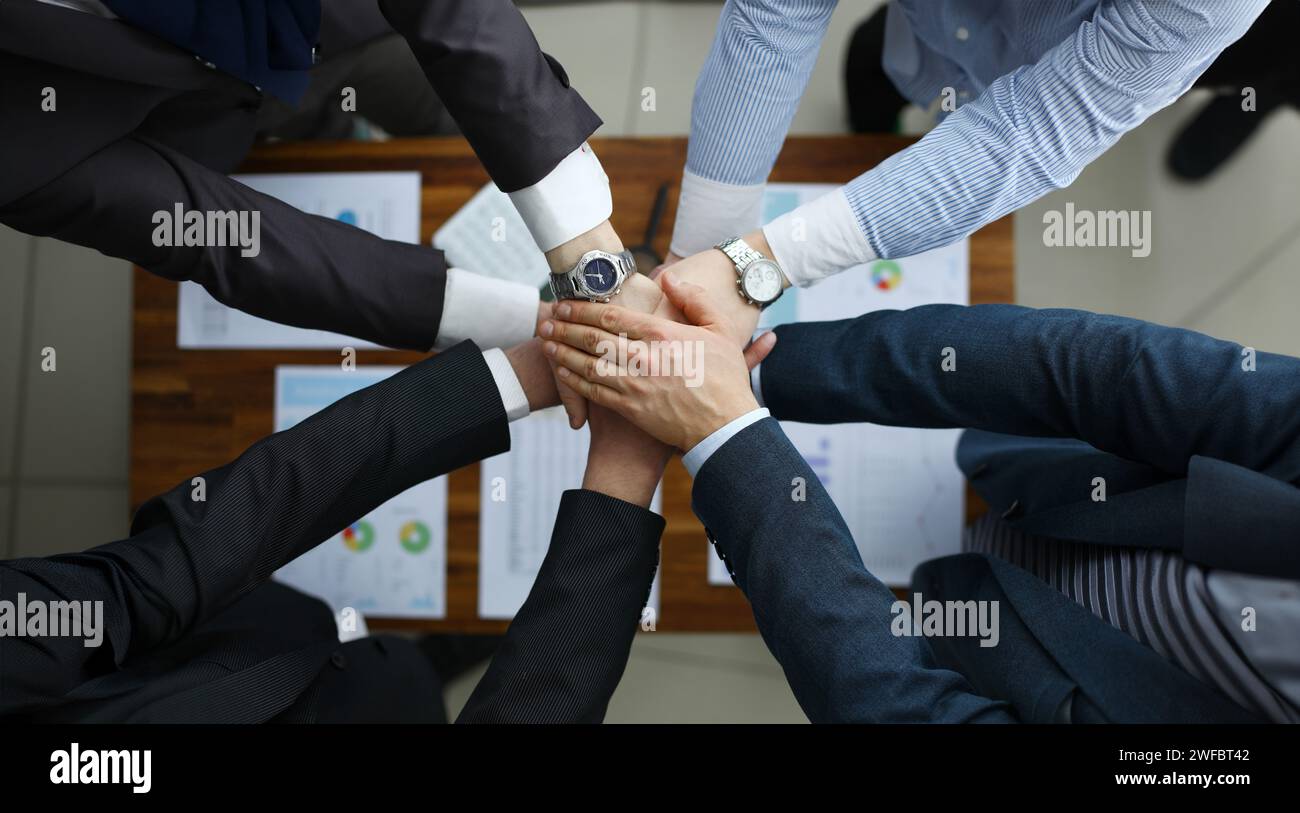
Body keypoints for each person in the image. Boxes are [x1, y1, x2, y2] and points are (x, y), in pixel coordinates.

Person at [541, 272, 1297, 722]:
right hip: (1060, 497)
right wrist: (755, 370)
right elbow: (1094, 370)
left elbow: (900, 708)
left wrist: (726, 432)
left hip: (983, 654)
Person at [0, 337, 687, 723]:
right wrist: (623, 475)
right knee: (407, 686)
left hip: (222, 650)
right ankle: (429, 663)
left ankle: (417, 654)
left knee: (300, 620)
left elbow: (152, 580)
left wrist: (512, 378)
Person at [0, 0, 660, 372]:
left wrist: (582, 243)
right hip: (191, 118)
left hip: (343, 22)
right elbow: (222, 236)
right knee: (324, 145)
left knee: (442, 115)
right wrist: (535, 323)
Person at [645, 0, 1270, 361]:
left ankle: (1253, 99)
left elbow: (1035, 128)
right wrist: (704, 251)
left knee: (1262, 73)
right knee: (872, 75)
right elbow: (778, 12)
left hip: (1240, 39)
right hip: (924, 31)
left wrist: (758, 264)